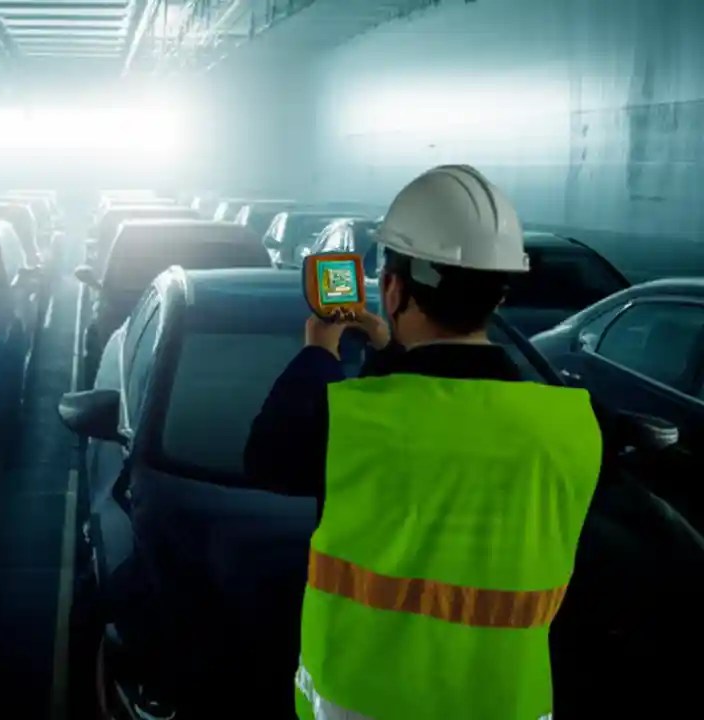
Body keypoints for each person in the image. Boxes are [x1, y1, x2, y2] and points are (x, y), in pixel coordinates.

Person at [243, 165, 614, 720]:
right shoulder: (576, 423)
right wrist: (390, 348)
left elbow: (266, 458)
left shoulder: (350, 418)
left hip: (363, 703)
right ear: (498, 295)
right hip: (508, 705)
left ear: (393, 289)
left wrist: (320, 350)